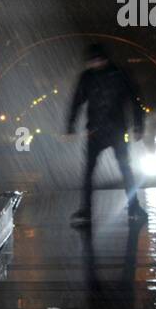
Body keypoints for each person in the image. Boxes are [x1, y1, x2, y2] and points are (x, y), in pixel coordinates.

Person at [65, 42, 145, 225]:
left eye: (94, 61)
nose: (92, 65)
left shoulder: (88, 77)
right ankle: (133, 207)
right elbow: (135, 101)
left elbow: (76, 103)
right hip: (113, 129)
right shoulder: (119, 74)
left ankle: (87, 211)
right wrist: (138, 125)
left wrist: (70, 126)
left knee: (92, 172)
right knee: (124, 169)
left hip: (98, 130)